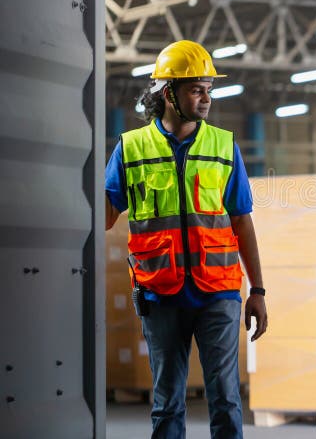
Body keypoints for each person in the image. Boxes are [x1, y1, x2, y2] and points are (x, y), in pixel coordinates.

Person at [105, 40, 268, 439]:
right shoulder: (131, 148)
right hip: (160, 294)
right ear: (168, 94)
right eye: (197, 88)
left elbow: (242, 222)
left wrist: (258, 290)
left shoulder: (224, 145)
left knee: (227, 401)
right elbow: (103, 217)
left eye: (208, 89)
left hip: (219, 293)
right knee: (166, 404)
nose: (206, 97)